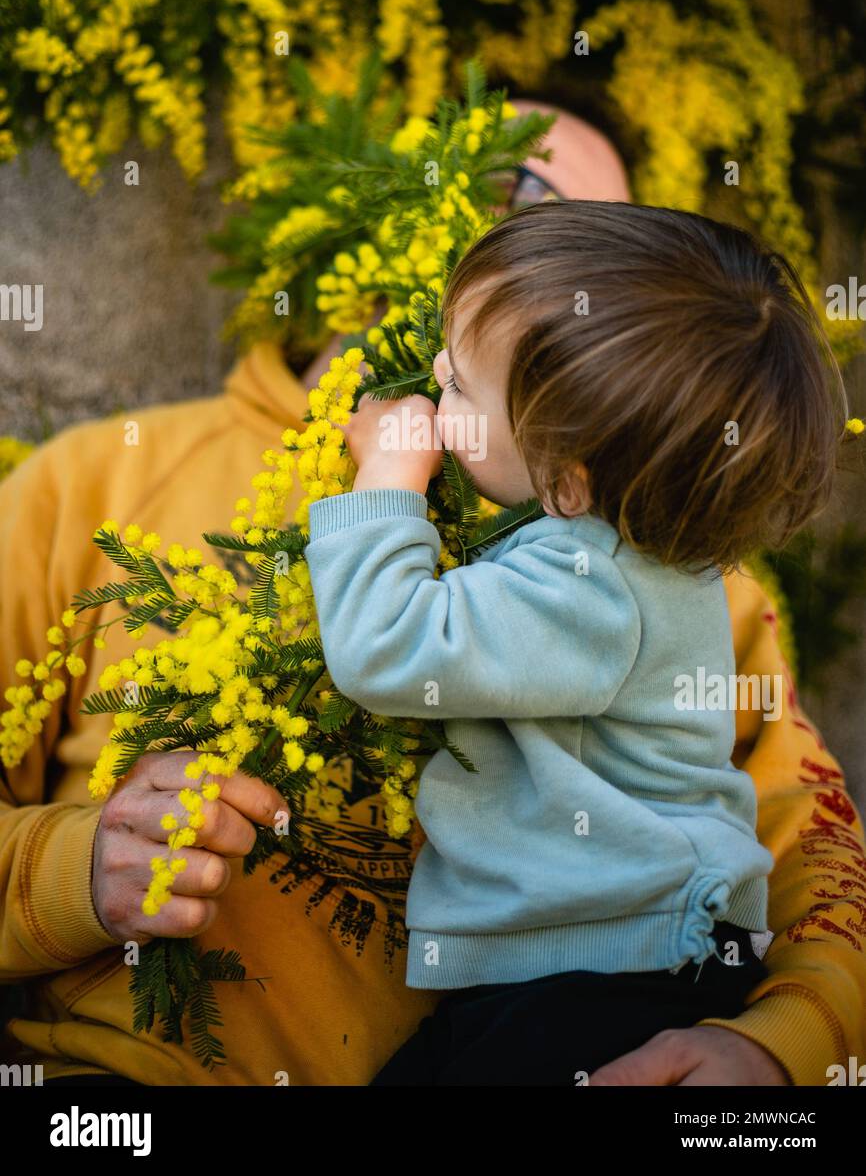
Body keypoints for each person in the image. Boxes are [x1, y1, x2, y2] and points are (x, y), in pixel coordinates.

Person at [0, 106, 863, 1087]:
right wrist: (68, 871)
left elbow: (810, 857)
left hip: (568, 1012)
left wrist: (778, 1046)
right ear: (384, 190)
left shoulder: (676, 568)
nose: (515, 238)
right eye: (504, 184)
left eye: (582, 259)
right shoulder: (93, 485)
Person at [302, 199, 838, 1085]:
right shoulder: (633, 552)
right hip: (619, 952)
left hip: (611, 975)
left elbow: (387, 646)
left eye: (462, 387)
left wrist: (387, 476)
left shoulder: (591, 591)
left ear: (568, 479)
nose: (436, 371)